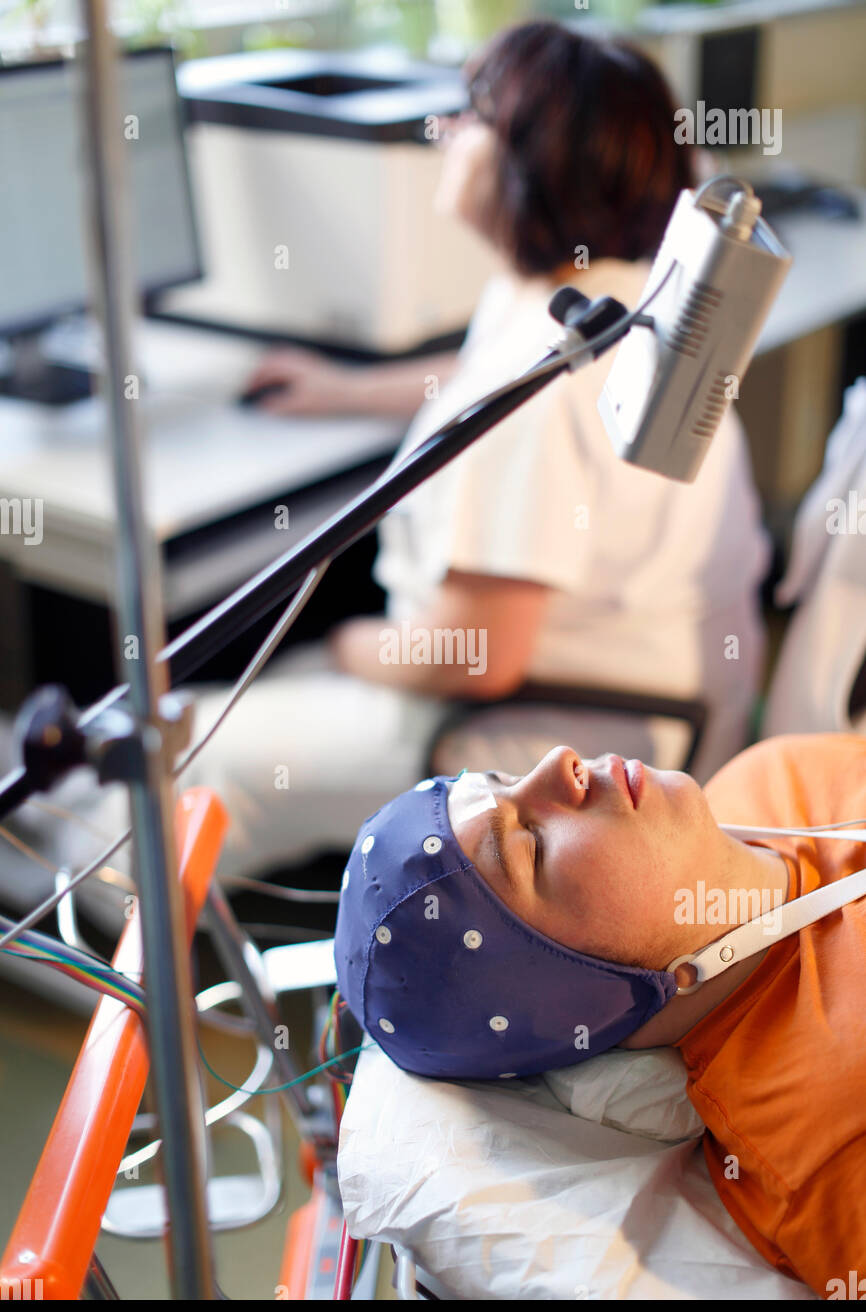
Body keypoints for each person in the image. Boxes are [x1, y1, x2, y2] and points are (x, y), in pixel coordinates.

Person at [18, 21, 770, 916]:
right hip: (658, 712)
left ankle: (80, 936)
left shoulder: (541, 401)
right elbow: (487, 377)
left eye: (472, 114)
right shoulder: (615, 303)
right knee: (238, 700)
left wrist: (343, 646)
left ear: (530, 162)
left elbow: (481, 654)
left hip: (534, 736)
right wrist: (350, 390)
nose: (446, 130)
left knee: (173, 767)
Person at [334, 734, 866, 1300]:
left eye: (508, 779)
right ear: (584, 994)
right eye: (530, 847)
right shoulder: (825, 1139)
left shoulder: (765, 776)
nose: (558, 762)